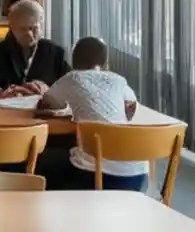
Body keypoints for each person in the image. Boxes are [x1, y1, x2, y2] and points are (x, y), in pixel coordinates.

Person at [37, 36, 146, 192]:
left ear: (73, 62)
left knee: (41, 160)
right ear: (105, 64)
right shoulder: (119, 80)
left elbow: (48, 102)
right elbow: (131, 106)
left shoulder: (72, 77)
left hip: (95, 174)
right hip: (135, 175)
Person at [0, 0, 70, 99]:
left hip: (44, 110)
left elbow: (70, 86)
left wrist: (47, 89)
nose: (29, 34)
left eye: (34, 28)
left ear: (42, 26)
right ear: (11, 28)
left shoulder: (56, 53)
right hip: (5, 110)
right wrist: (3, 93)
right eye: (23, 29)